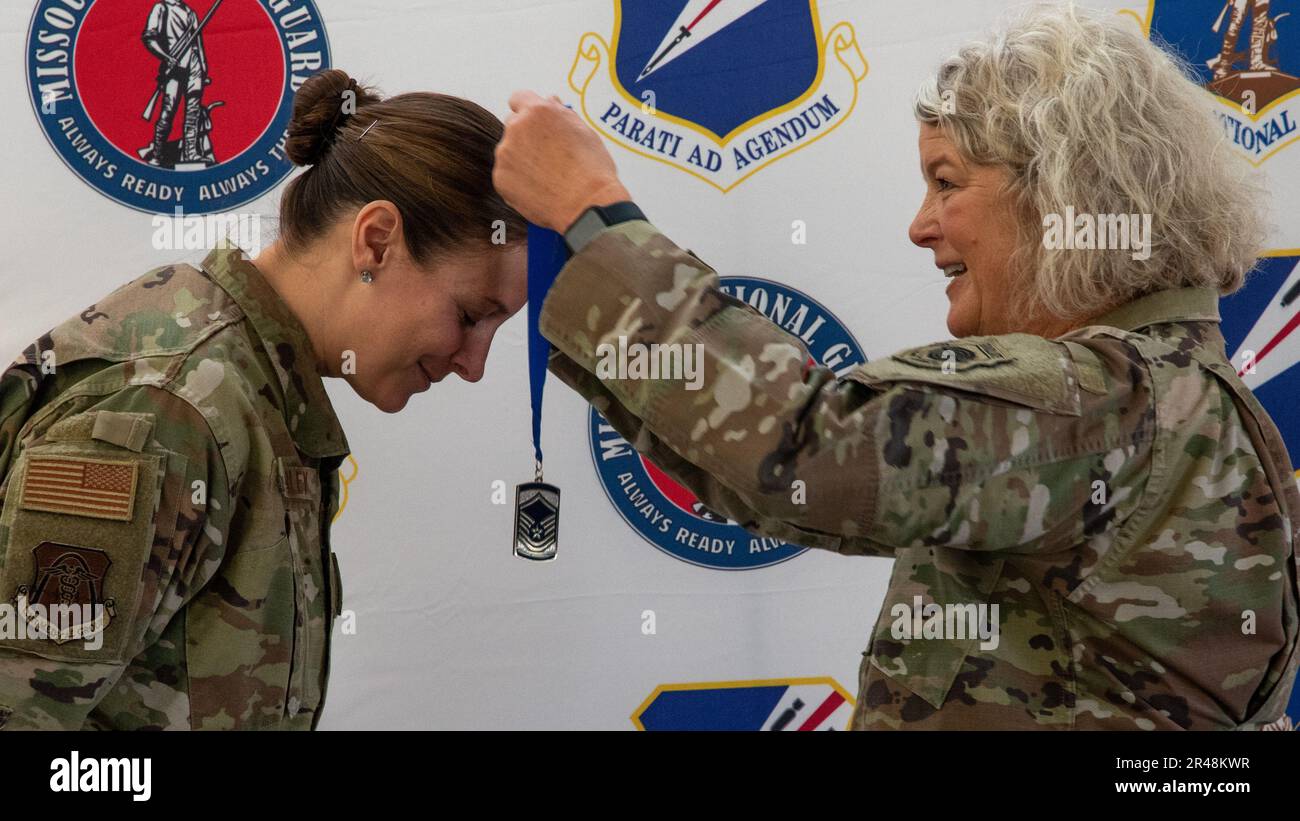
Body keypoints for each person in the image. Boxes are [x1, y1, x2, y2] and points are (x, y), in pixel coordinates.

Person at [493, 5, 1299, 729]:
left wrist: (593, 215)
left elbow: (804, 449)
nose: (920, 226)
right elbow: (763, 476)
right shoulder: (1190, 399)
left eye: (947, 183)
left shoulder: (1099, 399)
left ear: (1065, 191)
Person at [0, 69, 527, 729]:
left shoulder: (253, 394)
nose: (473, 365)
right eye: (471, 315)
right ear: (376, 242)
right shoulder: (170, 408)